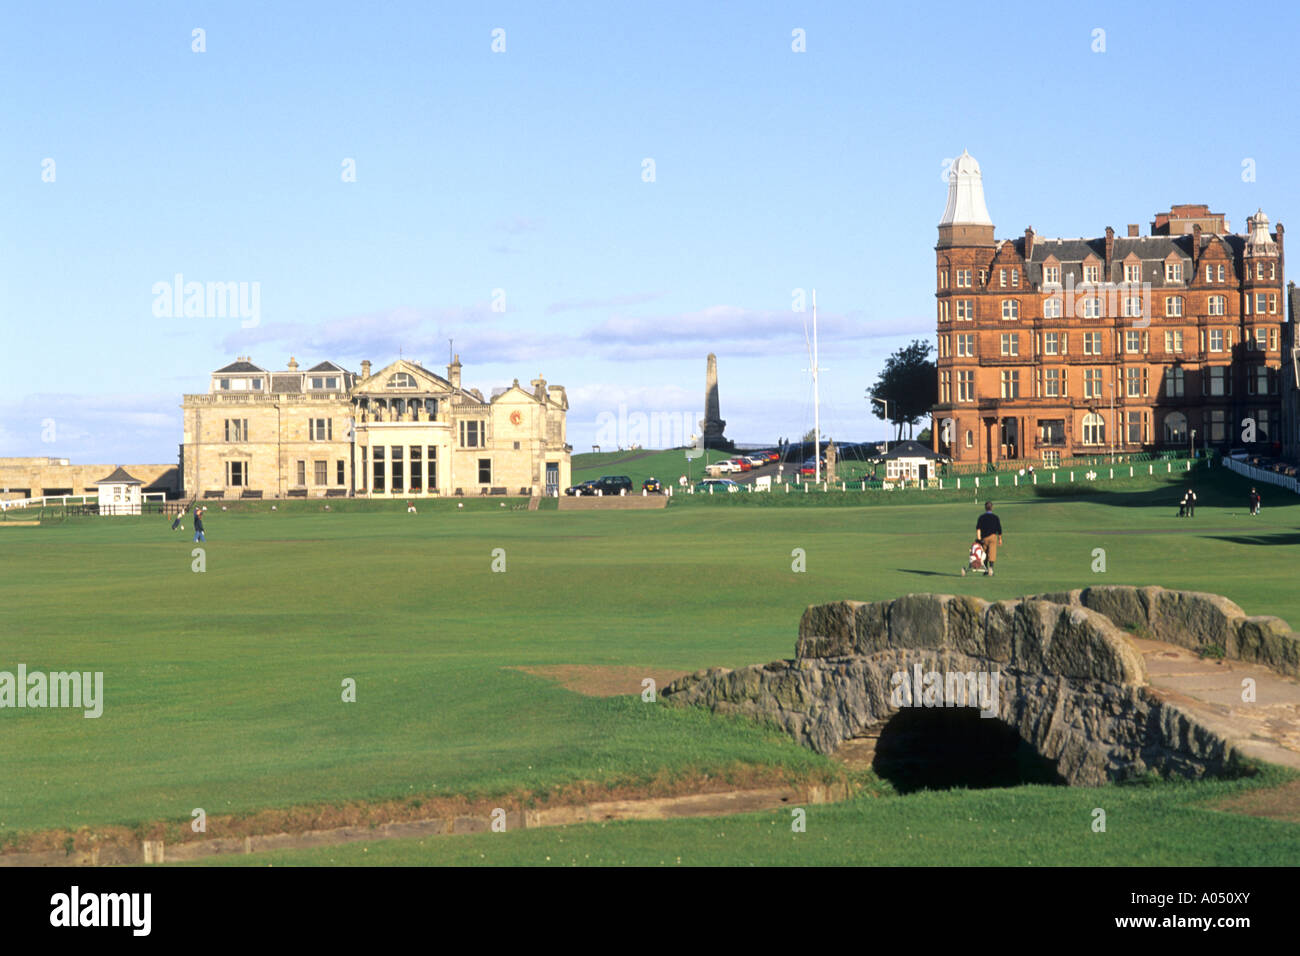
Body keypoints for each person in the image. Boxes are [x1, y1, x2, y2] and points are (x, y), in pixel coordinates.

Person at [974, 501, 1003, 576]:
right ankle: (991, 568)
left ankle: (986, 569)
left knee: (984, 553)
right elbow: (999, 529)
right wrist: (1000, 539)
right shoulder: (995, 517)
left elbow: (978, 529)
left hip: (984, 538)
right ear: (992, 508)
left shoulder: (981, 517)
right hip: (993, 537)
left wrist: (979, 539)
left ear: (985, 508)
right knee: (992, 552)